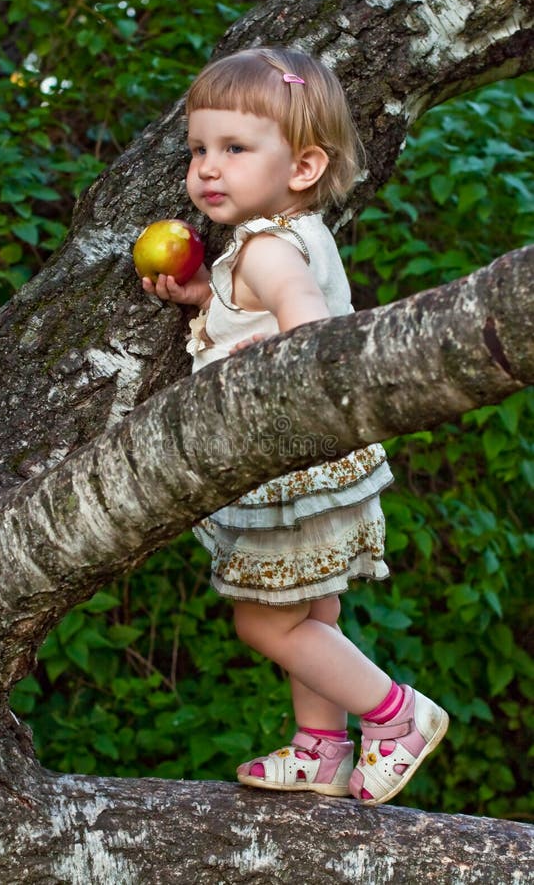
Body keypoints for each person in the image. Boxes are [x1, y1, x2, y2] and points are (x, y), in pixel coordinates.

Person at [140, 46, 448, 805]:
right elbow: (270, 304)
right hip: (323, 458)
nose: (208, 168)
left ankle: (396, 715)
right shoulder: (292, 236)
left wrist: (261, 348)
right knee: (313, 612)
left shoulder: (269, 248)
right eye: (199, 149)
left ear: (304, 166)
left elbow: (303, 323)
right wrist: (202, 305)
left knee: (266, 624)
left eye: (235, 149)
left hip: (283, 466)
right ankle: (321, 749)